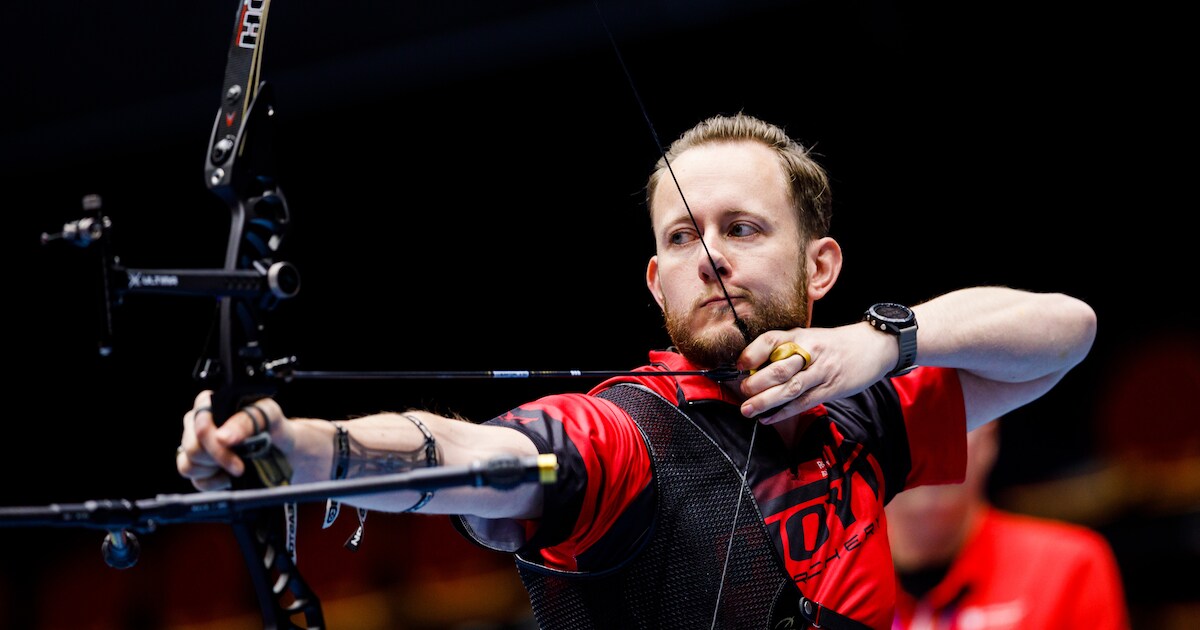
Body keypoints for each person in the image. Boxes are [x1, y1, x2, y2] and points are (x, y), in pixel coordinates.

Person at [176, 112, 1098, 629]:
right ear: (657, 282)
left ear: (820, 267)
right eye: (684, 238)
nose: (713, 257)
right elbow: (462, 453)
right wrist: (289, 449)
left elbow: (1067, 331)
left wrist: (883, 343)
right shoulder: (621, 438)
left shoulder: (858, 404)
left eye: (742, 229)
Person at [886, 419, 1130, 630]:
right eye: (907, 423)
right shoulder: (847, 575)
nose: (929, 448)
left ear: (988, 438)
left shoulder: (1069, 567)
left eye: (949, 421)